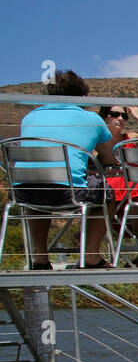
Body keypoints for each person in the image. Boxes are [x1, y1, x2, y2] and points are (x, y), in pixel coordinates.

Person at [15, 70, 116, 270]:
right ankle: (91, 256)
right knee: (108, 194)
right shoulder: (92, 119)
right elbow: (109, 158)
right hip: (68, 192)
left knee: (39, 192)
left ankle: (40, 259)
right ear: (83, 96)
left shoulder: (29, 117)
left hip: (23, 191)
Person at [99, 104, 138, 267]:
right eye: (115, 114)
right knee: (104, 204)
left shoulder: (130, 137)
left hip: (134, 186)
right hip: (110, 188)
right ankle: (95, 256)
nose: (120, 118)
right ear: (105, 116)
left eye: (124, 116)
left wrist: (137, 114)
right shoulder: (96, 141)